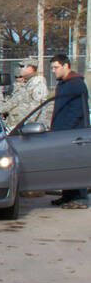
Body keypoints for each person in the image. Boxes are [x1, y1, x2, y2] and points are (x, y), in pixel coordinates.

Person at [49, 55, 89, 208]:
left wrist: (64, 132)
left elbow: (75, 112)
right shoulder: (62, 84)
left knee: (76, 164)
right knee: (65, 165)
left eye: (56, 67)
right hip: (62, 133)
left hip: (75, 134)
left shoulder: (76, 84)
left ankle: (80, 197)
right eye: (52, 68)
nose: (53, 71)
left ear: (66, 66)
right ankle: (67, 195)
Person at [0, 60, 49, 130]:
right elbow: (15, 100)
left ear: (30, 68)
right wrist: (0, 111)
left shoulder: (37, 84)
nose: (20, 69)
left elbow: (38, 109)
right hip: (19, 126)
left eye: (22, 66)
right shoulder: (27, 84)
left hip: (30, 129)